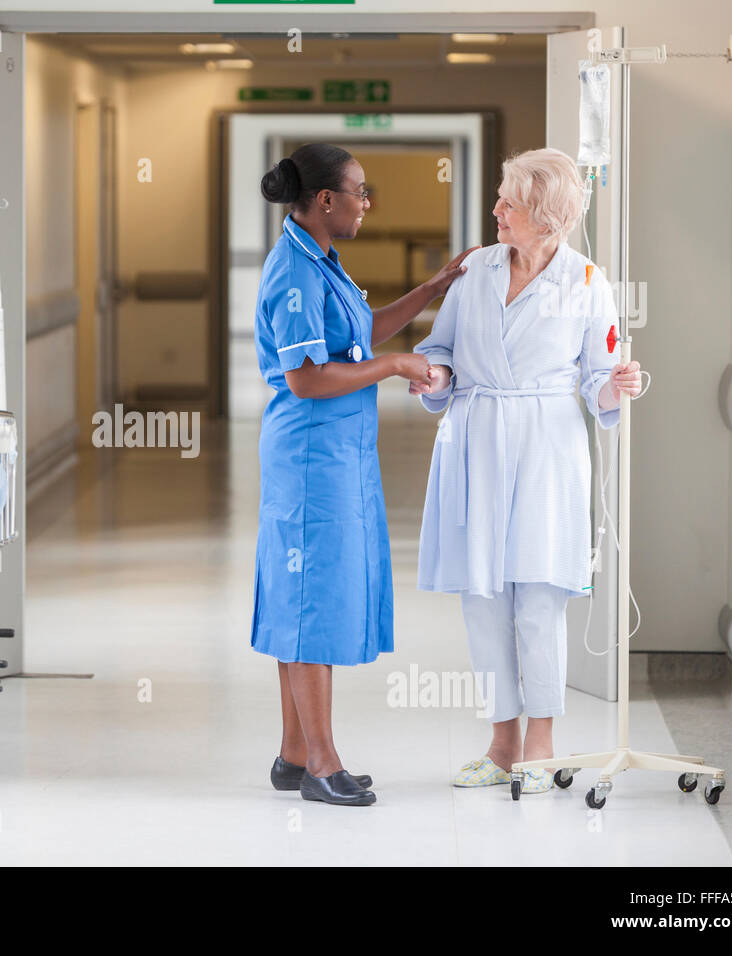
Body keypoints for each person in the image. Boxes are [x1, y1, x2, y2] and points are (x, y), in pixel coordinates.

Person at [408, 147, 644, 794]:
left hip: (546, 444)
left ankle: (541, 743)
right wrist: (435, 376)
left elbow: (598, 379)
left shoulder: (588, 282)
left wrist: (619, 385)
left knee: (539, 598)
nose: (496, 211)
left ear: (544, 216)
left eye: (508, 202)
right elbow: (441, 348)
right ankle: (500, 744)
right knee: (483, 599)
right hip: (476, 437)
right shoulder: (476, 270)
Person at [252, 143, 476, 806]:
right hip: (309, 458)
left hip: (336, 454)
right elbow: (306, 376)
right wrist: (396, 366)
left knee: (313, 596)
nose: (366, 202)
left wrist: (434, 288)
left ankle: (295, 753)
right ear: (325, 200)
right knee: (308, 603)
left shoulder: (322, 261)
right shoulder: (293, 272)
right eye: (359, 190)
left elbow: (357, 336)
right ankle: (321, 763)